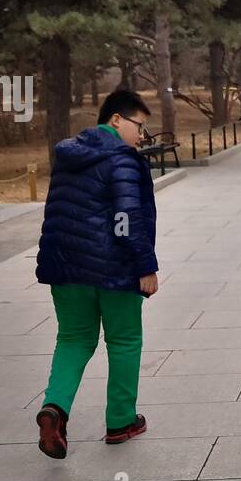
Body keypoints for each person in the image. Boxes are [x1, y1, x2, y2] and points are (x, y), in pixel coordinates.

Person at [34, 88, 159, 457]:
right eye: (139, 126)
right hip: (114, 270)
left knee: (73, 339)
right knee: (123, 341)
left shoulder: (69, 155)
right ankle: (120, 421)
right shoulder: (122, 160)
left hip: (65, 268)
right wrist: (145, 266)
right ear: (116, 120)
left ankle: (54, 409)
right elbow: (126, 219)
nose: (142, 136)